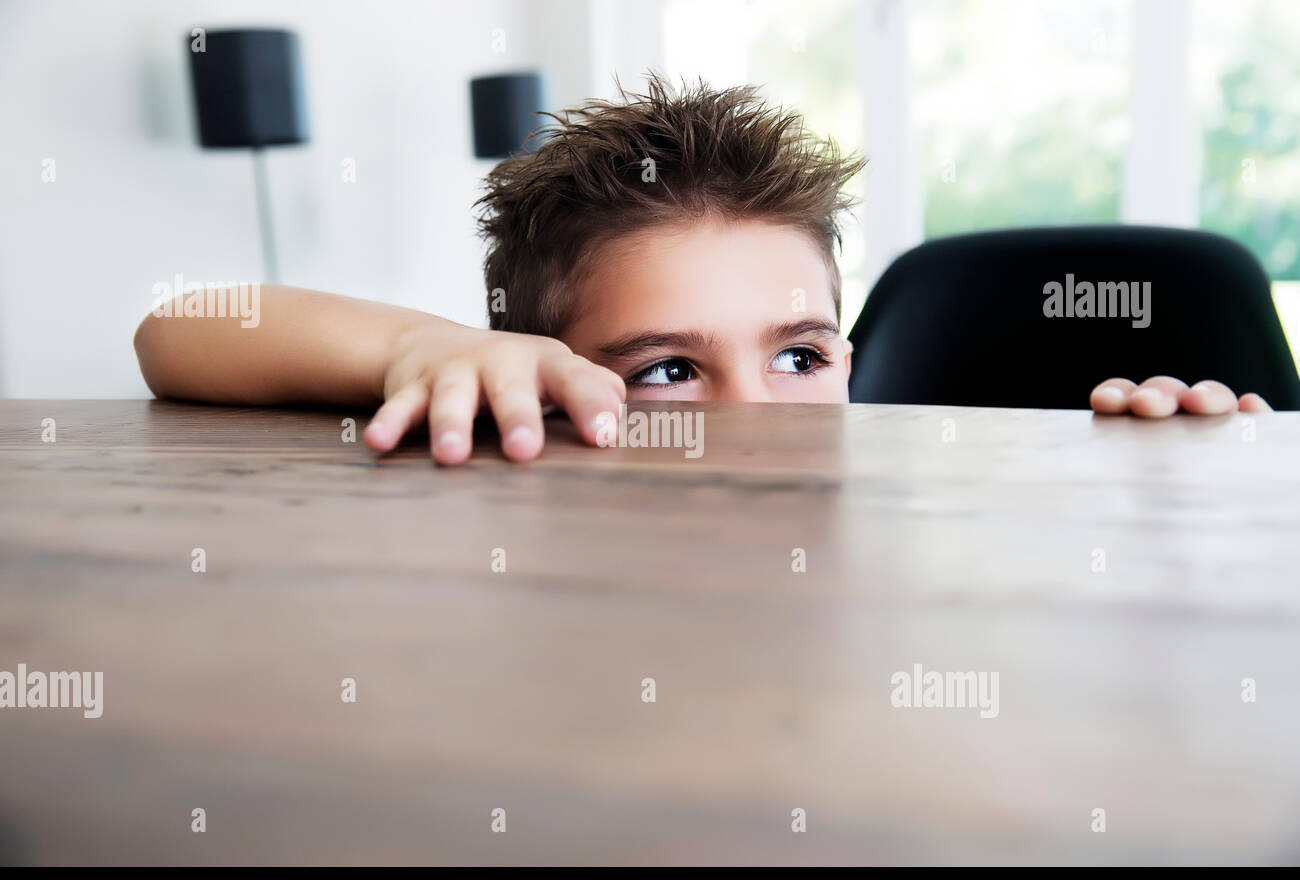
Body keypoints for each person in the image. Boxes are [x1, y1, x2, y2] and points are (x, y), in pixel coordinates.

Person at [134, 77, 1272, 467]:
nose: (759, 414)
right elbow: (176, 326)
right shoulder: (519, 424)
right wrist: (423, 347)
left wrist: (1193, 469)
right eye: (670, 368)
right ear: (546, 371)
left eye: (799, 355)